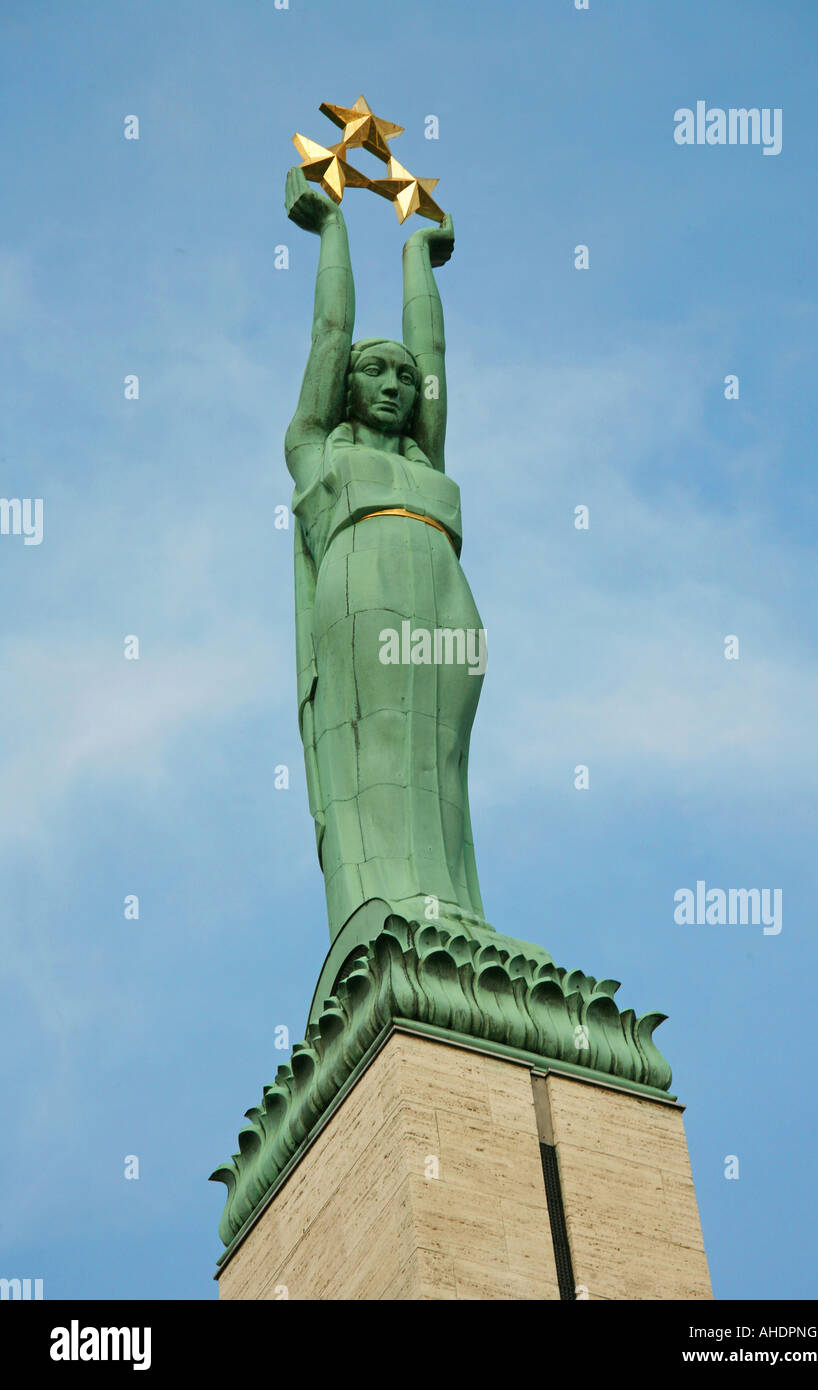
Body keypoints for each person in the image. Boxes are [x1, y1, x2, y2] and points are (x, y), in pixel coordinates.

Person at [284, 165, 489, 943]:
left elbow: (432, 354)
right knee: (378, 745)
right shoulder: (316, 452)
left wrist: (418, 258)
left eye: (403, 377)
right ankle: (390, 904)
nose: (396, 384)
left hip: (446, 597)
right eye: (375, 371)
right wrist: (330, 229)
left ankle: (452, 907)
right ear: (344, 387)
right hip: (360, 585)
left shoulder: (424, 461)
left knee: (440, 762)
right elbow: (329, 334)